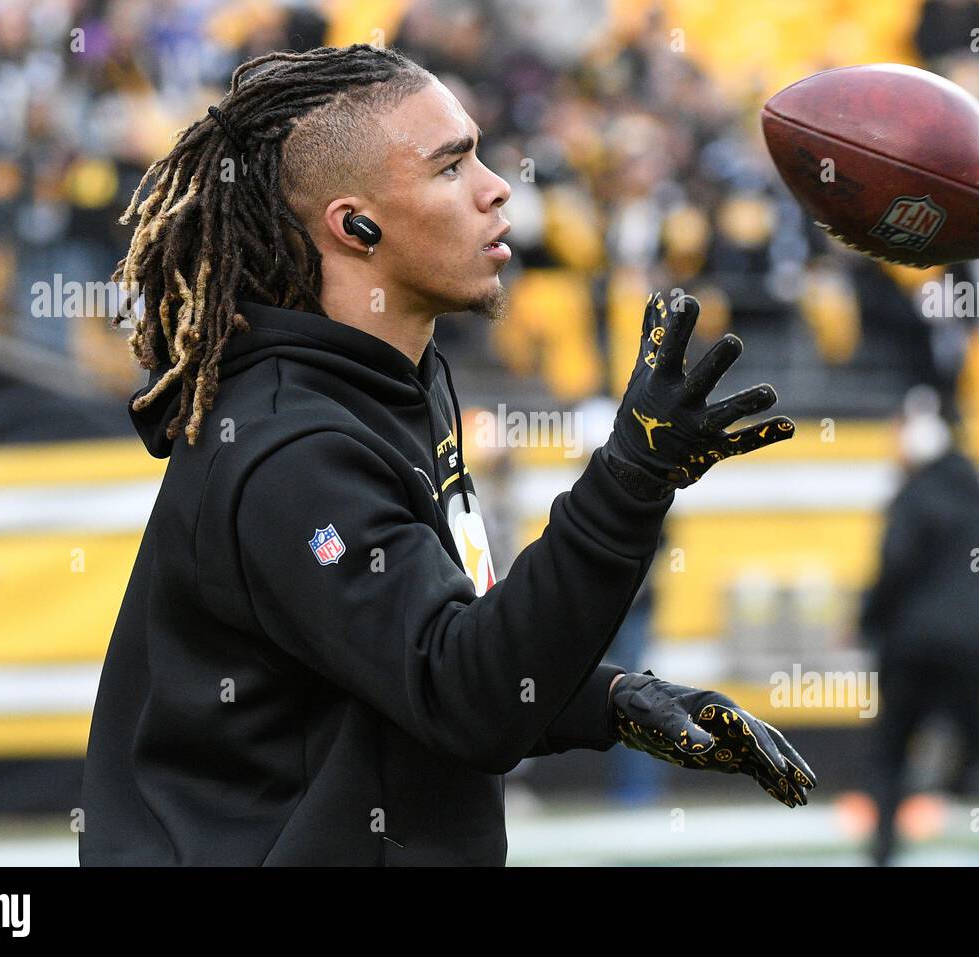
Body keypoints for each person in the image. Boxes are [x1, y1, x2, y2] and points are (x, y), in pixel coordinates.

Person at [79, 44, 816, 866]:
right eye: (450, 166)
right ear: (355, 225)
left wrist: (614, 697)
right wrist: (629, 481)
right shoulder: (291, 450)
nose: (497, 186)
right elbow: (463, 694)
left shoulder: (400, 383)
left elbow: (425, 650)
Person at [859, 386, 979, 866]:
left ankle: (883, 851)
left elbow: (893, 569)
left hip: (913, 647)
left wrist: (868, 621)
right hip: (974, 651)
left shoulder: (914, 498)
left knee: (892, 751)